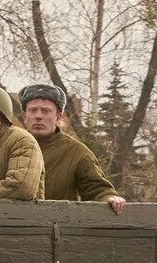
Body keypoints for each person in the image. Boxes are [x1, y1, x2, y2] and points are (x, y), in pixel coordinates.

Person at [20, 84, 126, 213]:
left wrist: (109, 197)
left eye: (45, 111)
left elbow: (96, 189)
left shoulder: (77, 153)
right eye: (33, 110)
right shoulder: (10, 146)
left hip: (58, 227)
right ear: (25, 116)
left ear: (58, 117)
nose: (38, 116)